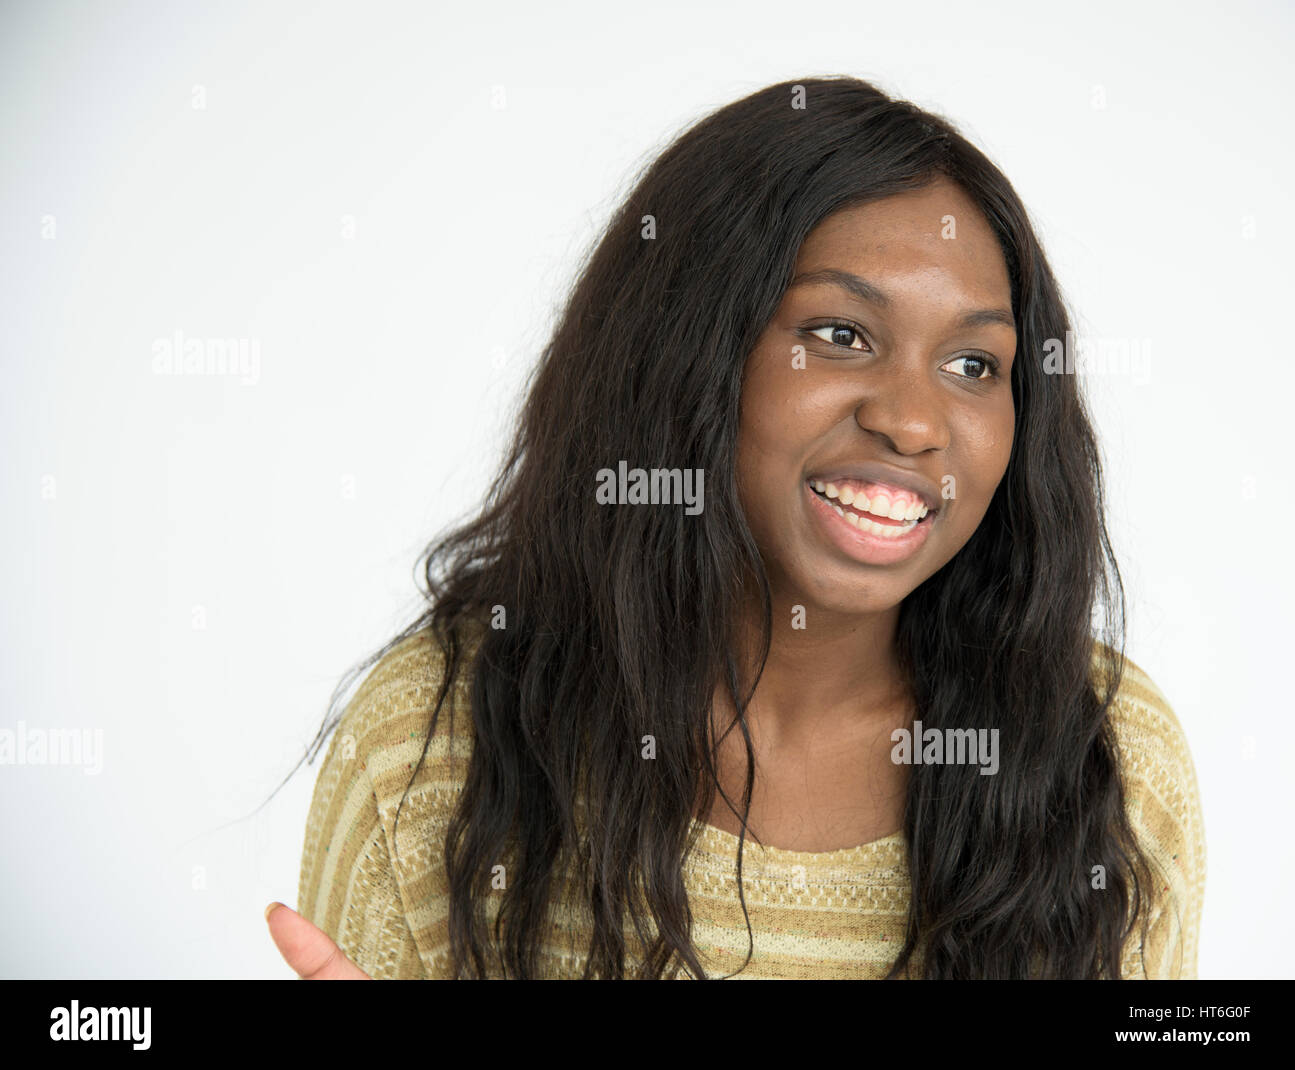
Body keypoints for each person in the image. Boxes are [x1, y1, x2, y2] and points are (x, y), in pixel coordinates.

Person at [266, 75, 1205, 979]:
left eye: (972, 363)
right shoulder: (429, 747)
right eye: (840, 334)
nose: (915, 422)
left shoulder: (1108, 759)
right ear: (688, 354)